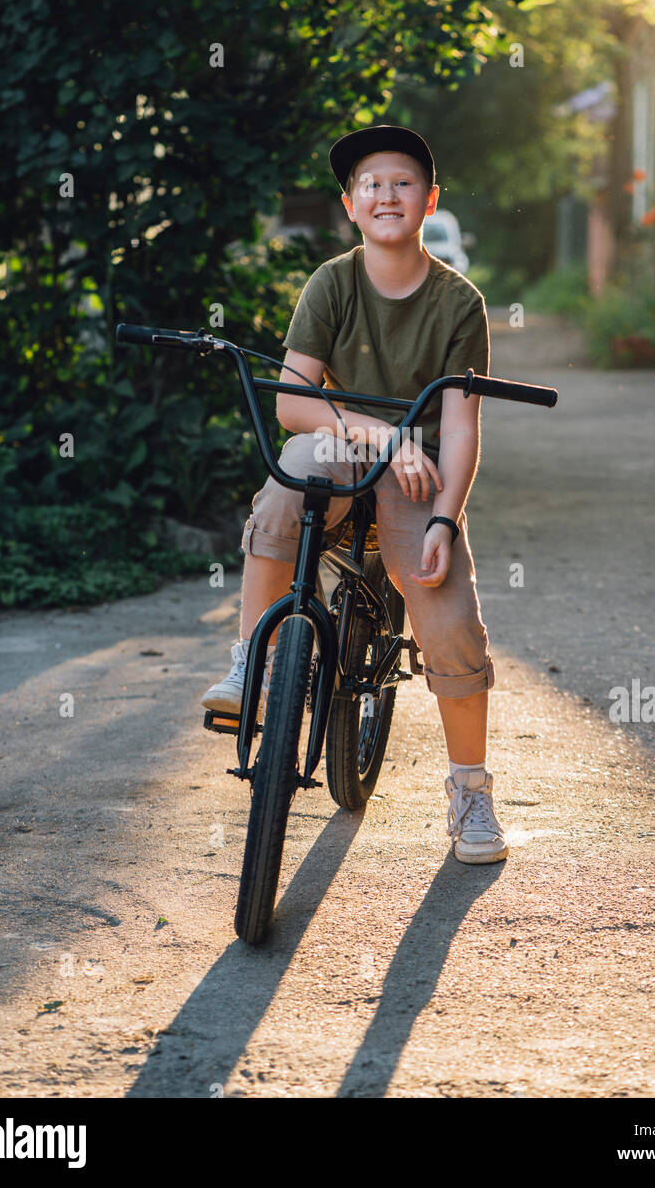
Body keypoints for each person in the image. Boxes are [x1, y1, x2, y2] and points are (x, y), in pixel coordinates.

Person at [202, 125, 507, 864]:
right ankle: (253, 663)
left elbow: (461, 428)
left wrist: (444, 518)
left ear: (429, 200)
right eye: (370, 184)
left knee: (446, 608)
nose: (386, 195)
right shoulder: (331, 283)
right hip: (347, 445)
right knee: (289, 479)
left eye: (402, 182)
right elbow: (294, 404)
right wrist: (384, 433)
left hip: (417, 474)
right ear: (350, 205)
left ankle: (469, 789)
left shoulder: (457, 302)